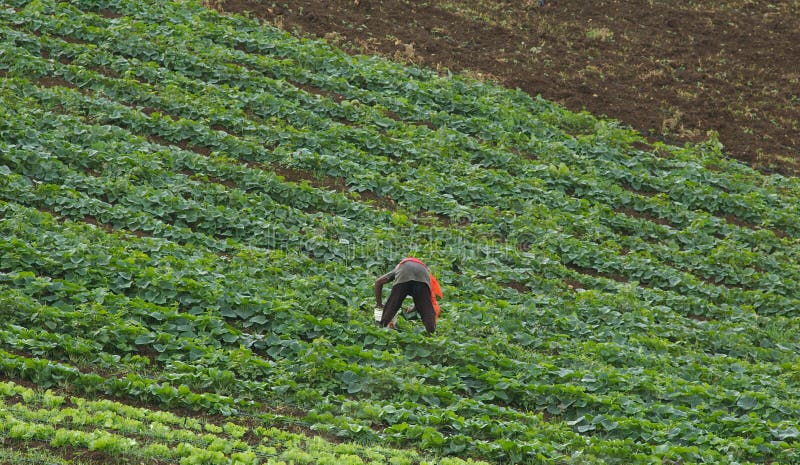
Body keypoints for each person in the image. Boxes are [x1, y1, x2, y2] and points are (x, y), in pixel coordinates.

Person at [374, 257, 442, 334]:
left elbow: (378, 282)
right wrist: (414, 308)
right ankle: (432, 334)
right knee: (426, 309)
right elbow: (423, 298)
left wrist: (379, 303)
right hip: (423, 273)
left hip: (405, 269)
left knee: (393, 304)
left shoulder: (399, 267)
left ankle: (382, 329)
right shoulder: (426, 273)